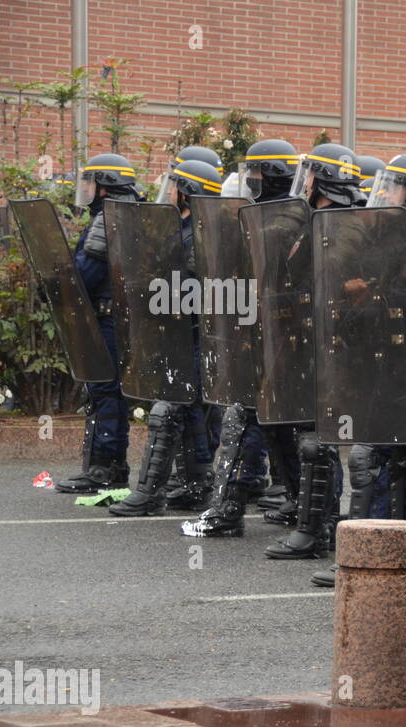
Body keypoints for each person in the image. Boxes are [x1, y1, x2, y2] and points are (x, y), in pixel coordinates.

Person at [309, 153, 406, 588]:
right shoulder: (394, 230)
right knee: (403, 445)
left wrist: (372, 303)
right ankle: (404, 541)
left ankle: (374, 546)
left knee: (382, 446)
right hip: (391, 352)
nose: (383, 193)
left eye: (394, 186)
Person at [181, 139, 301, 538]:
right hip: (272, 335)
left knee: (245, 416)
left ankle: (227, 510)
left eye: (255, 172)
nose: (249, 179)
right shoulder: (277, 215)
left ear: (270, 175)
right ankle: (301, 507)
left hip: (273, 335)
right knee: (278, 422)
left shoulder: (280, 221)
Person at [261, 142, 361, 560]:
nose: (304, 182)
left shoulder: (346, 225)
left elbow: (331, 282)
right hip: (299, 337)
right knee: (286, 425)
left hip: (330, 343)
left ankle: (319, 527)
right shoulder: (312, 219)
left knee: (317, 440)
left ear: (325, 179)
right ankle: (307, 516)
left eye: (311, 174)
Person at [109, 158, 225, 517]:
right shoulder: (182, 227)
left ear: (188, 193)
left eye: (173, 186)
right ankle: (196, 484)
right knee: (187, 411)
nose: (168, 191)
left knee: (168, 408)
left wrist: (153, 288)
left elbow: (191, 288)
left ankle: (149, 493)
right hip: (178, 334)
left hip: (192, 336)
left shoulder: (199, 234)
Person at [56, 154, 143, 494]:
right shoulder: (130, 215)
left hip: (108, 319)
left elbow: (87, 275)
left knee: (106, 392)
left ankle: (104, 469)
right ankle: (106, 466)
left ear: (106, 187)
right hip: (122, 319)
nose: (87, 189)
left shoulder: (108, 220)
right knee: (109, 392)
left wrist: (60, 281)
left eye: (91, 182)